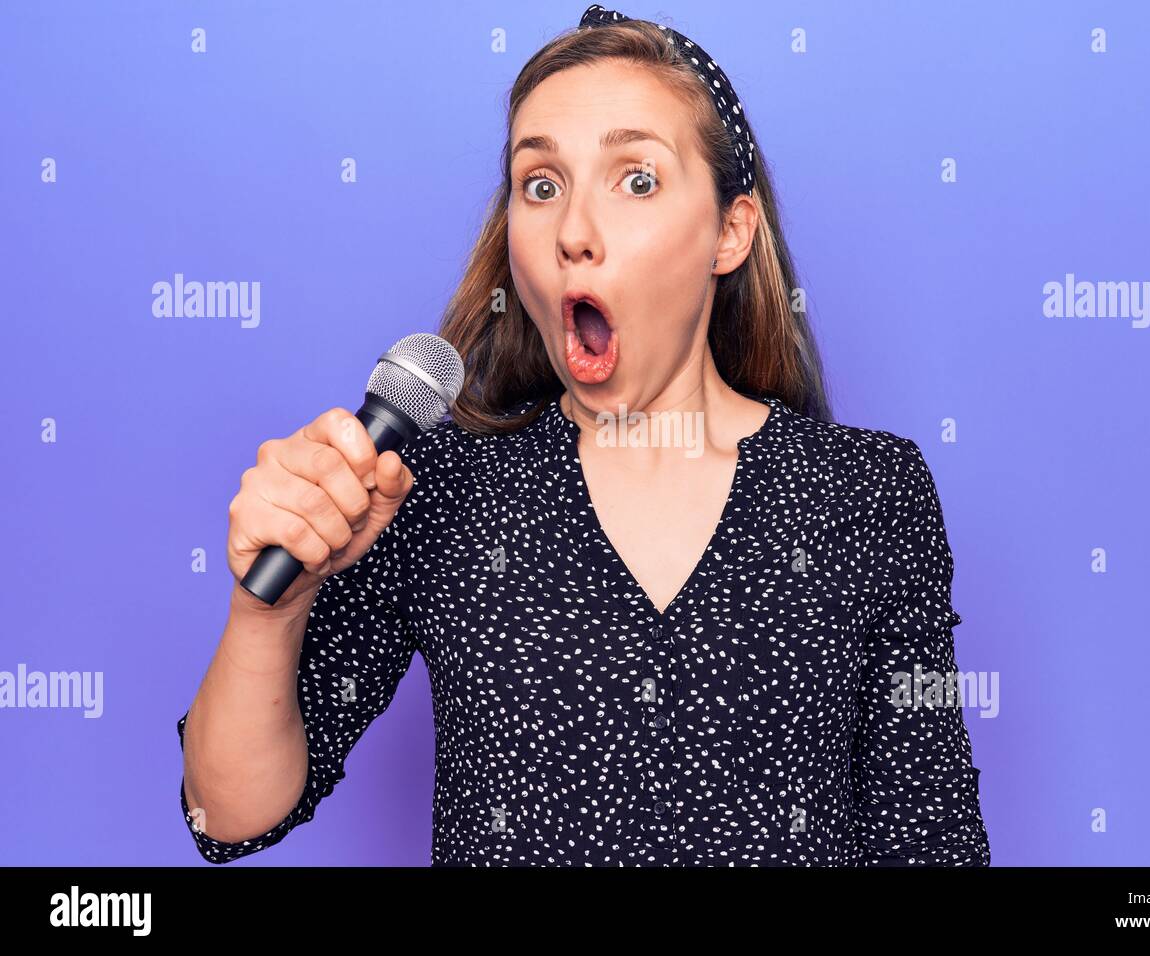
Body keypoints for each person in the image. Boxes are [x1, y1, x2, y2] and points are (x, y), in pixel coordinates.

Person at [177, 4, 991, 866]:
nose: (573, 232)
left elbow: (928, 833)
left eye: (635, 179)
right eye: (542, 184)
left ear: (729, 231)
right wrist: (268, 612)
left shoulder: (867, 492)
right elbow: (231, 814)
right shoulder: (436, 486)